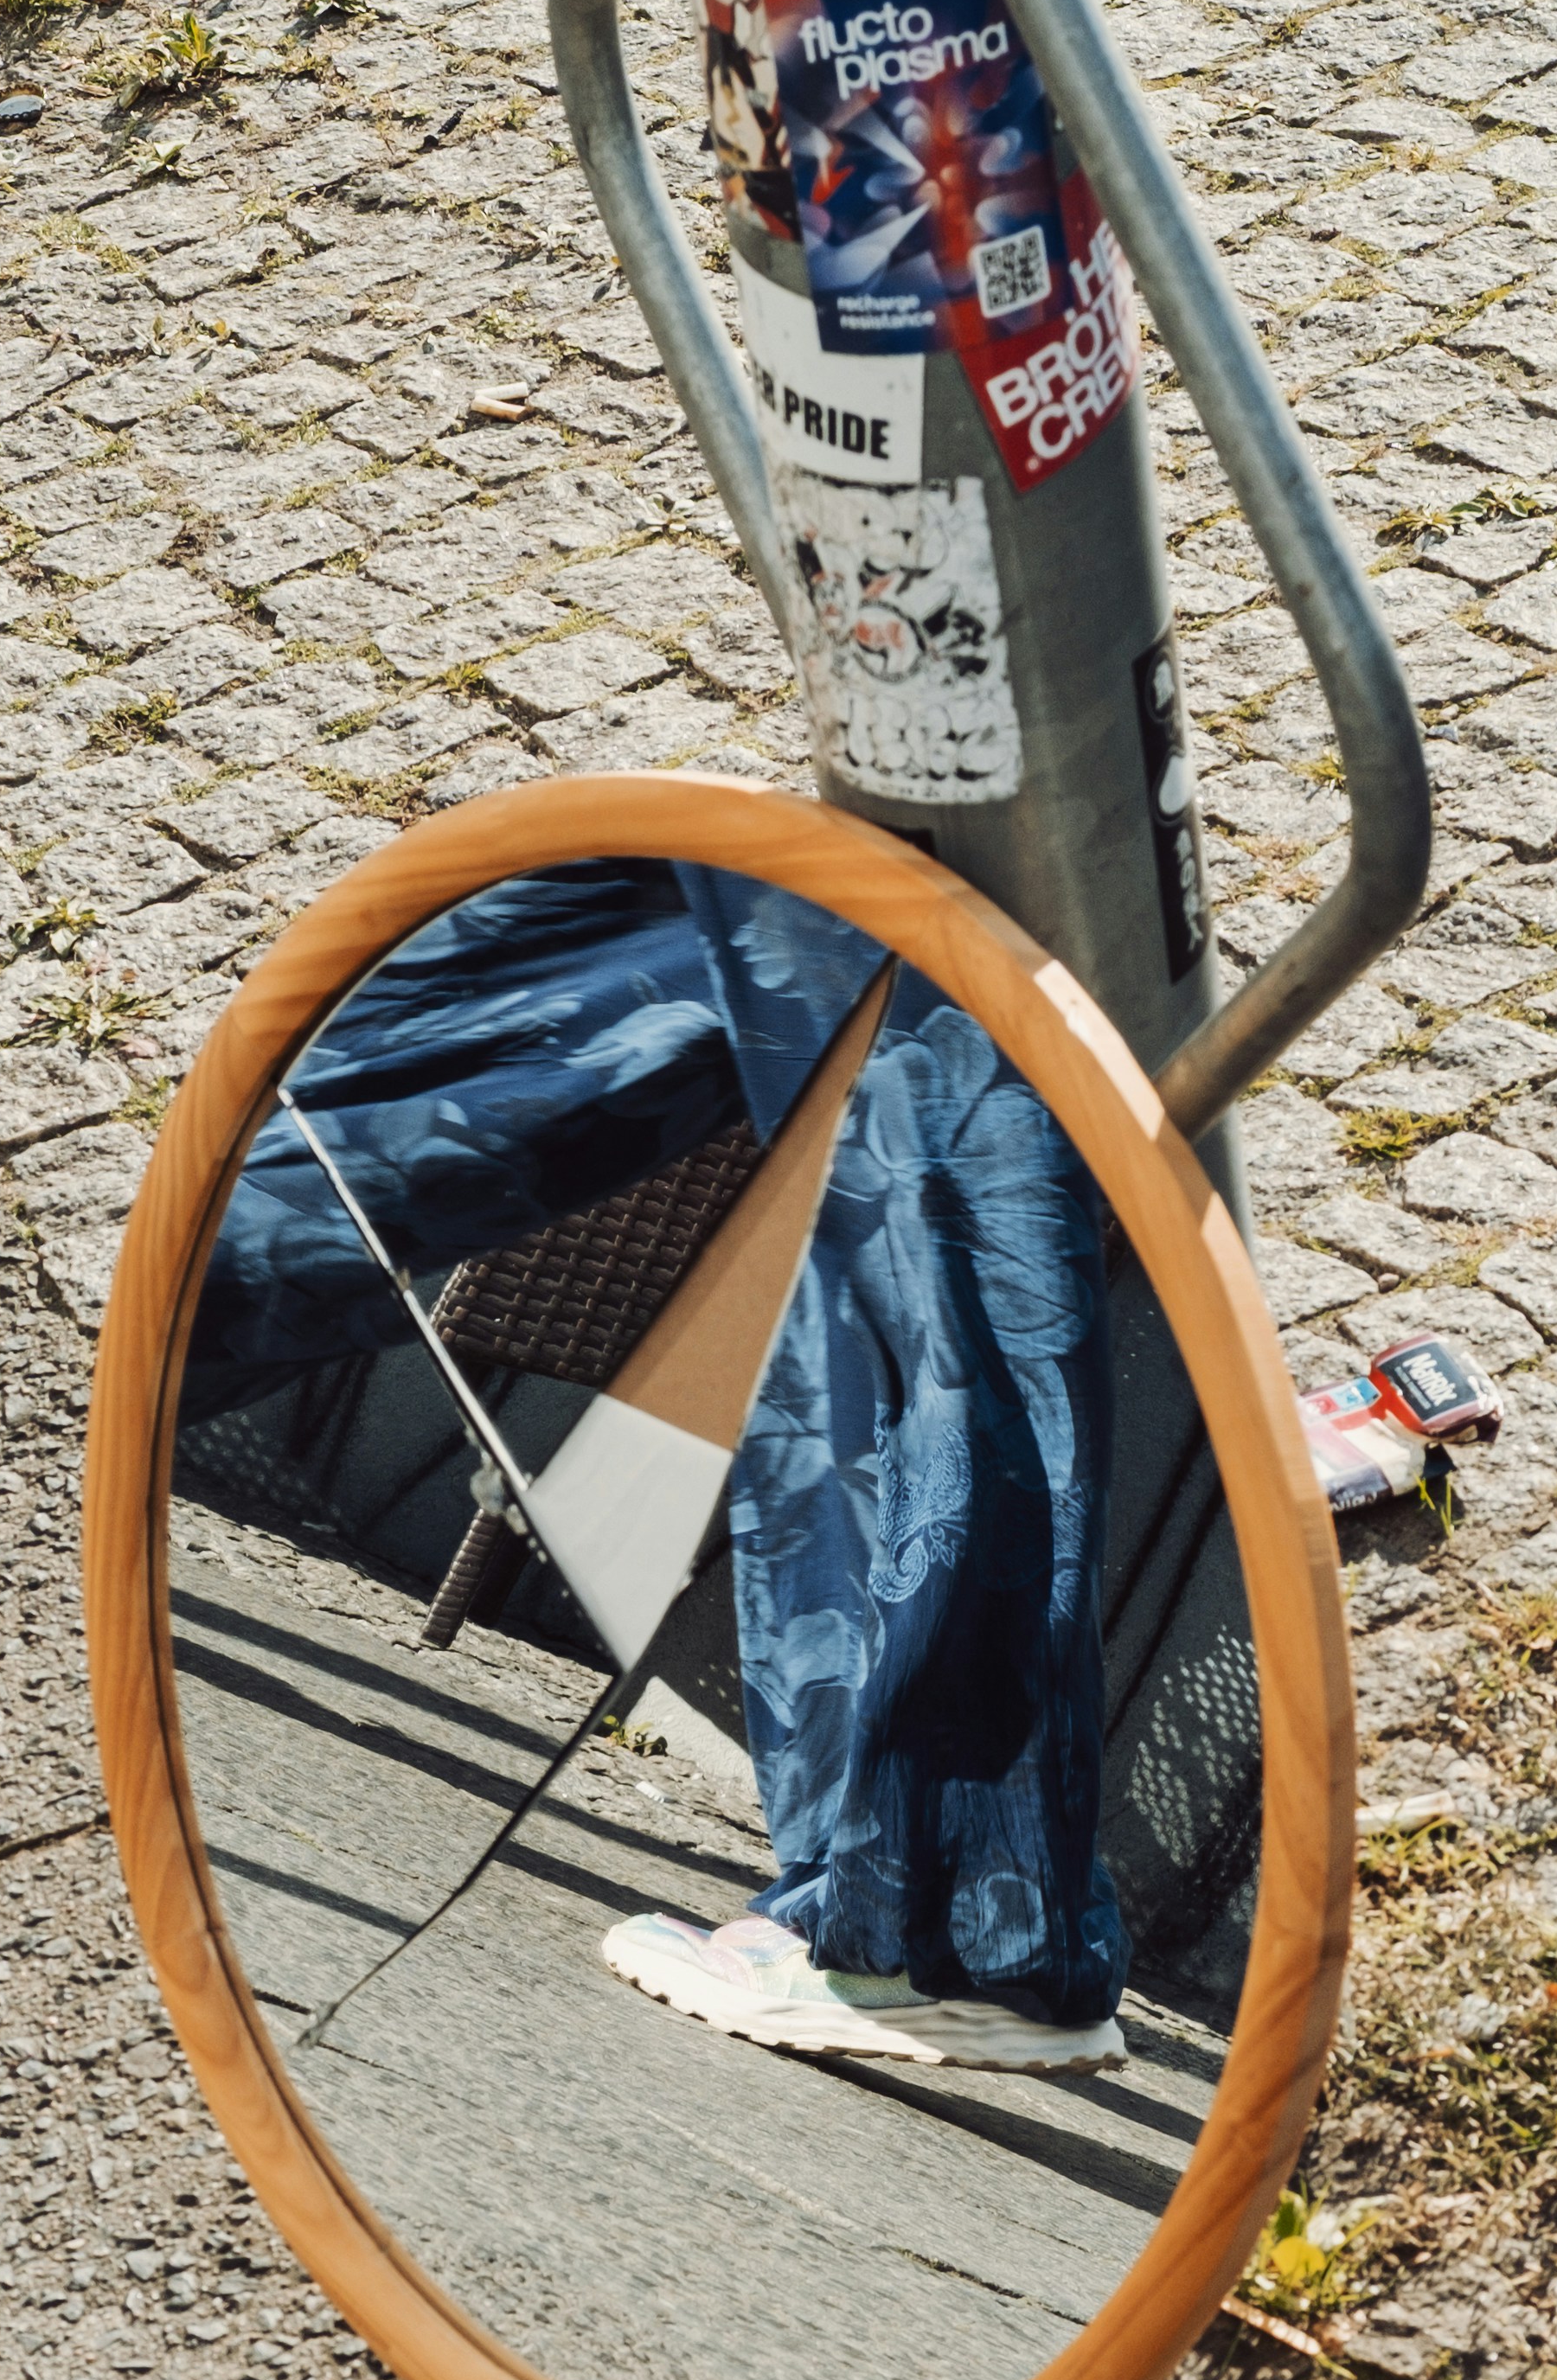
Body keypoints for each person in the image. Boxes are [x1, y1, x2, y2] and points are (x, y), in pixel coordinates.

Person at [183, 858, 1128, 2073]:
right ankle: (109, 1356)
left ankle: (936, 1919)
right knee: (594, 987)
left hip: (975, 834)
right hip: (900, 815)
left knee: (919, 1121)